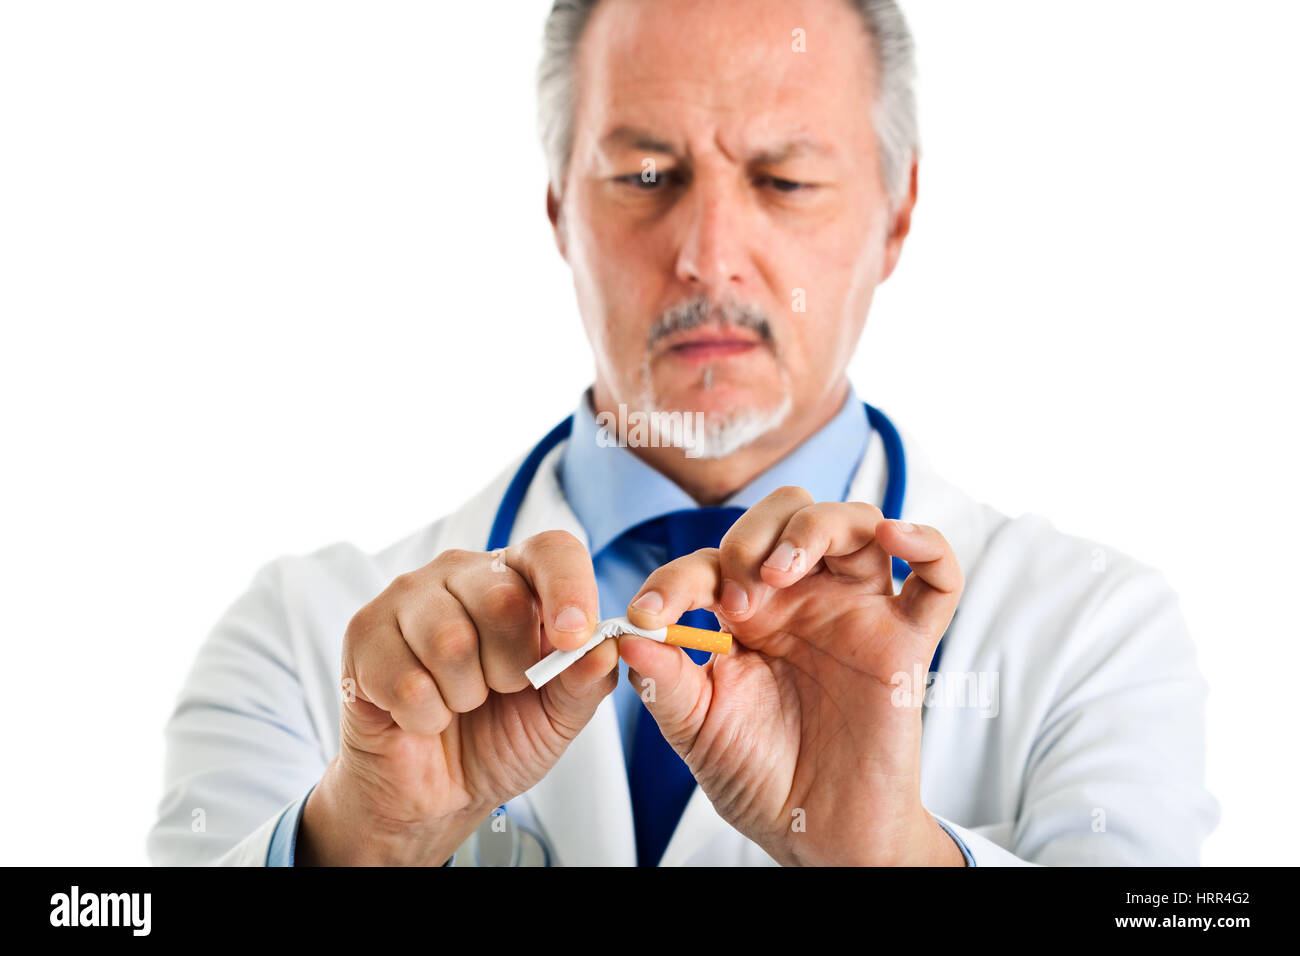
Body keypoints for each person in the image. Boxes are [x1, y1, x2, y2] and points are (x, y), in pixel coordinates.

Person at [147, 0, 1219, 867]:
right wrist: (365, 846)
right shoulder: (298, 647)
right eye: (645, 176)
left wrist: (882, 857)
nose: (708, 254)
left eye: (783, 180)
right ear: (560, 205)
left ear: (896, 213)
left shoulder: (1093, 637)